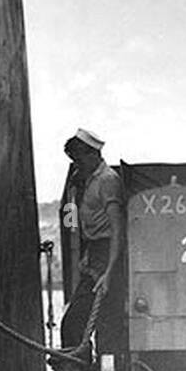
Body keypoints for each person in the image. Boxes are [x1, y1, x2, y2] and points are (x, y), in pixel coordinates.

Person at [60, 129, 126, 357]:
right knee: (77, 323)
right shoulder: (88, 181)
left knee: (87, 323)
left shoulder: (107, 180)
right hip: (96, 252)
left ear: (93, 155)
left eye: (78, 159)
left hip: (107, 254)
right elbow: (76, 221)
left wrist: (109, 271)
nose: (77, 164)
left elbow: (117, 229)